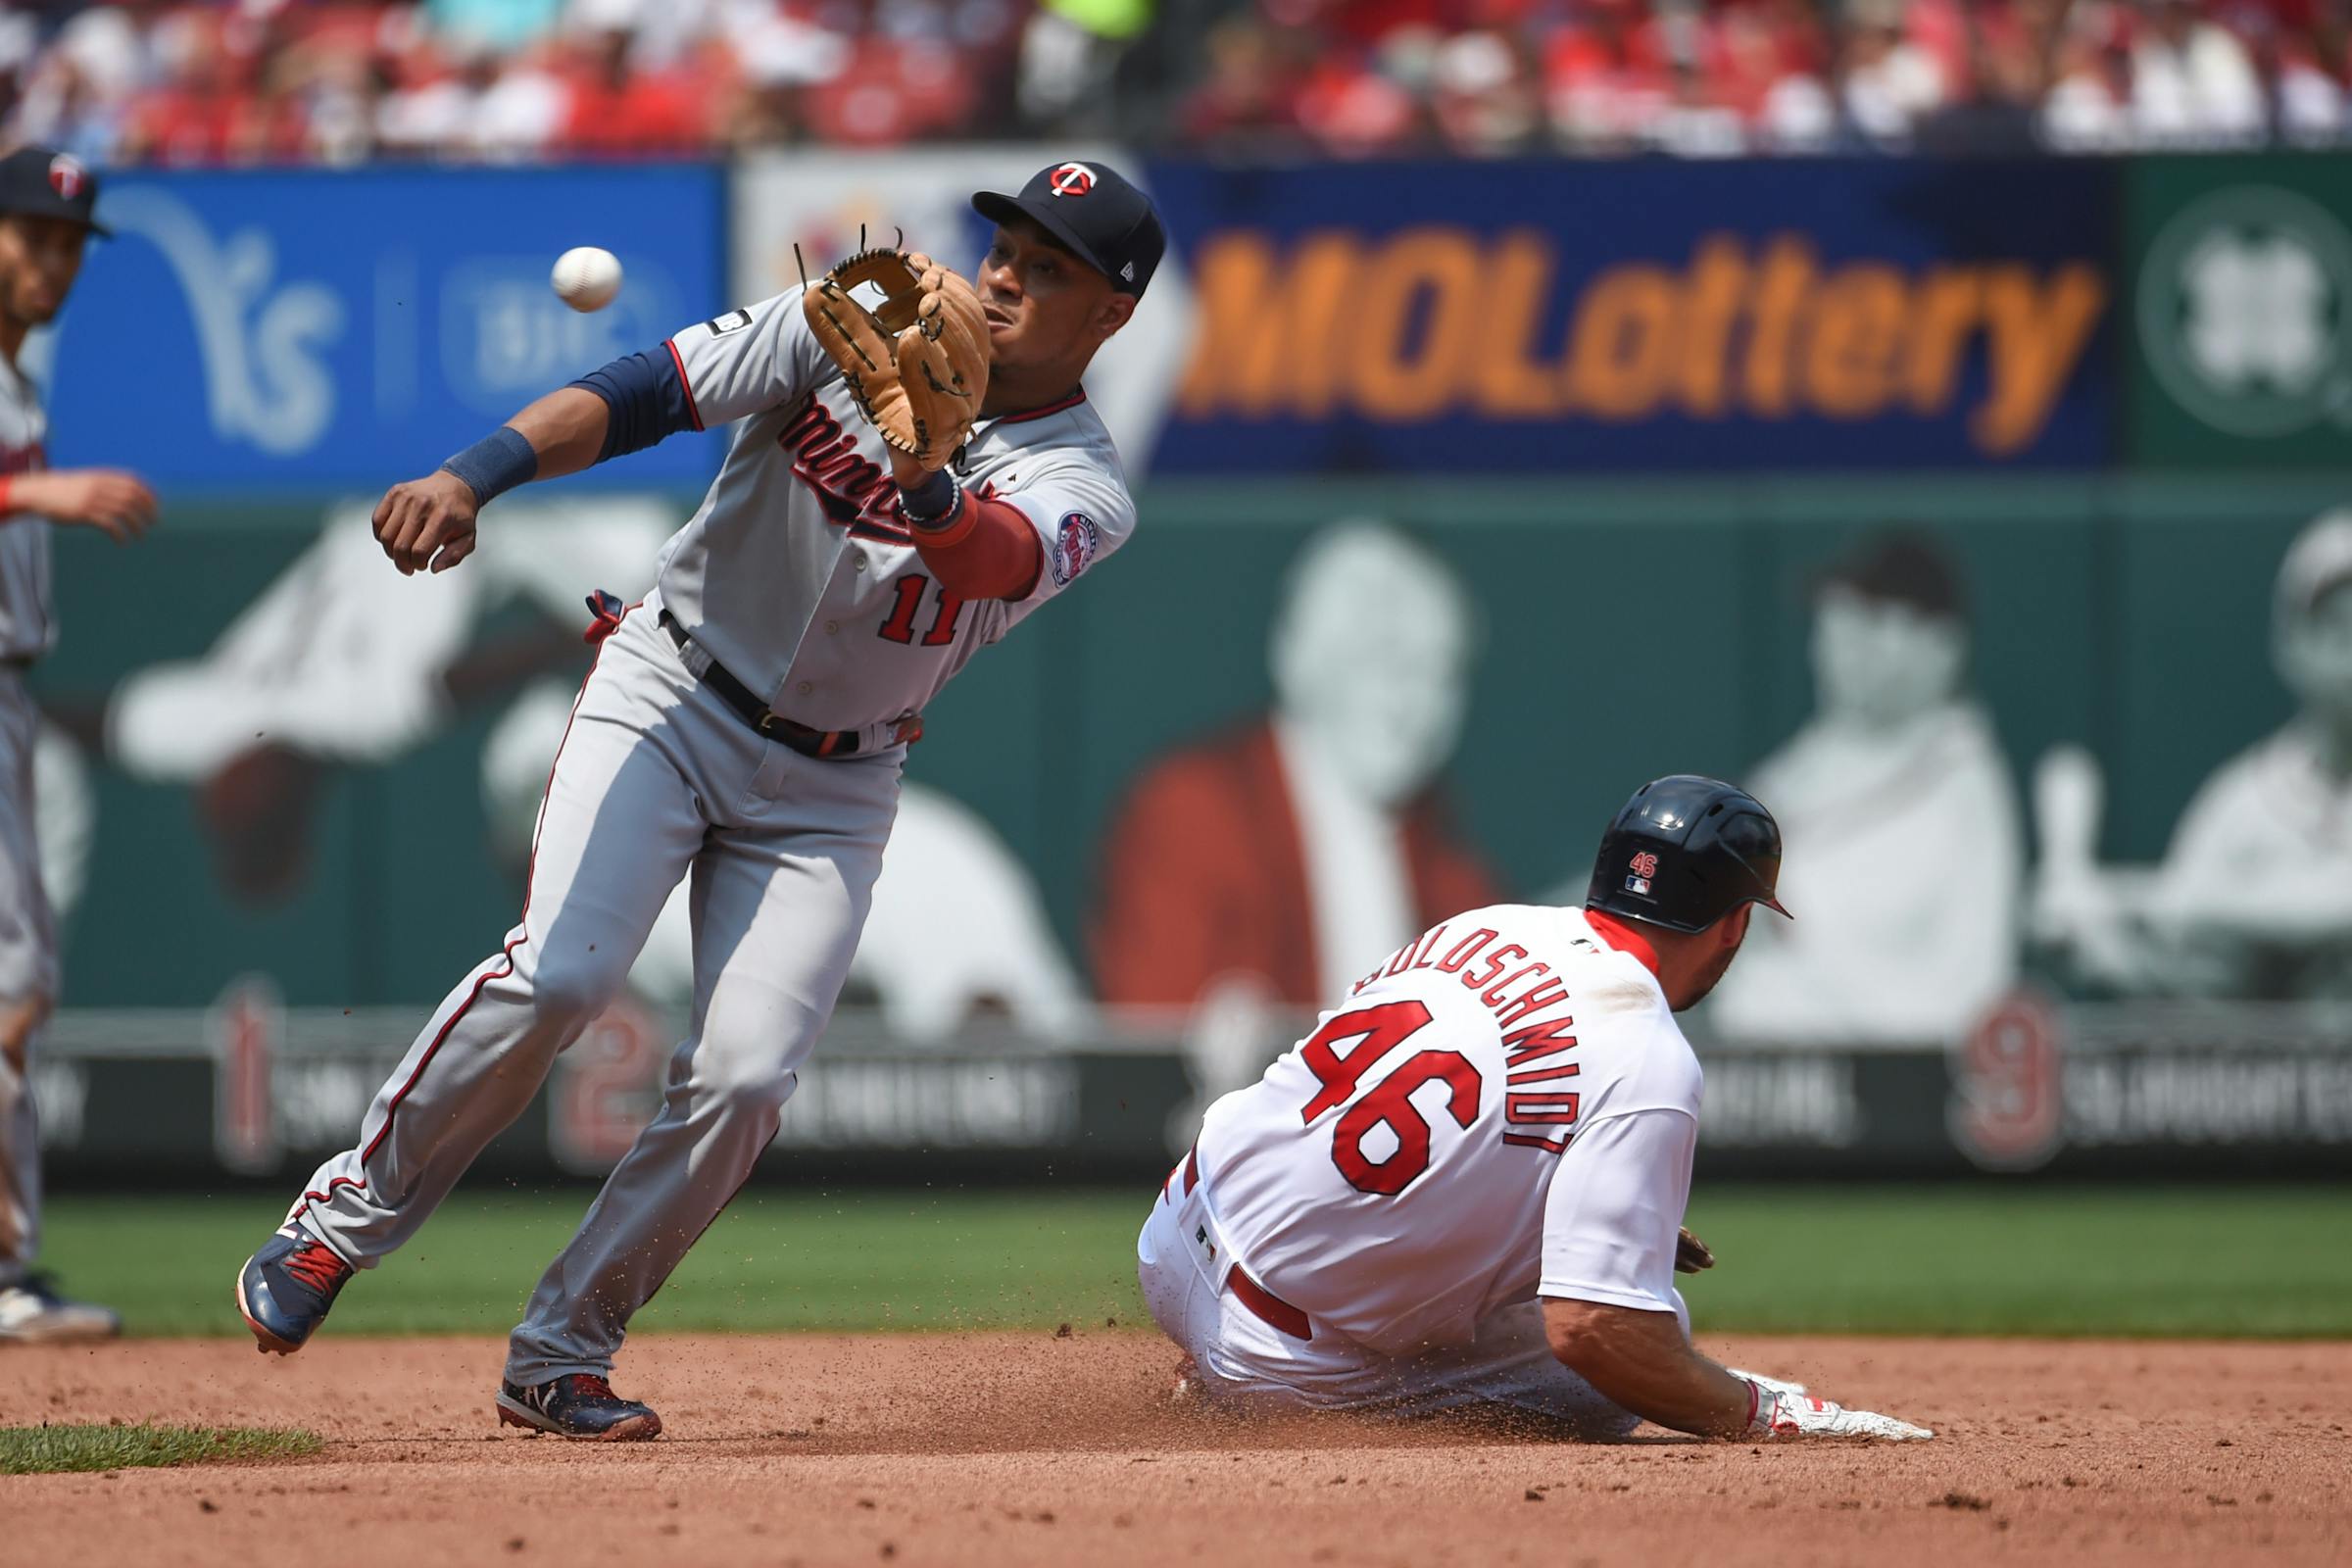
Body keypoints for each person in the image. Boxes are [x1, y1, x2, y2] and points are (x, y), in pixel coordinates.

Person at [234, 159, 1164, 1438]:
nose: (1008, 273)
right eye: (1007, 244)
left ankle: (563, 1348)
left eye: (1050, 266)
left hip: (833, 784)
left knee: (745, 1081)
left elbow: (997, 558)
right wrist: (473, 475)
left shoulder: (1088, 481)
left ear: (1113, 315)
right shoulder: (869, 308)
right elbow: (649, 392)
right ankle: (334, 1228)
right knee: (562, 974)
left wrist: (931, 473)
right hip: (672, 689)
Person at [1138, 775, 1932, 1442]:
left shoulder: (1484, 925)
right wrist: (1764, 1411)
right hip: (1277, 1359)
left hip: (1173, 1232)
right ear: (1735, 923)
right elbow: (1594, 1334)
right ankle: (1232, 1385)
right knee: (1634, 1360)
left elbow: (1356, 1094)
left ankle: (1209, 1354)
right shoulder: (1650, 1056)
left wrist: (1550, 1212)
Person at [1094, 521, 1498, 1010]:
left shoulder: (1440, 847)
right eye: (1382, 659)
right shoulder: (1193, 812)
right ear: (1299, 659)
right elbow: (1152, 1042)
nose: (1410, 699)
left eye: (1439, 670)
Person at [0, 145, 158, 1342]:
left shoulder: (19, 381)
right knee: (14, 985)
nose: (52, 261)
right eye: (31, 237)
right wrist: (28, 496)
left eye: (67, 244)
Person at [1706, 529, 2021, 1046]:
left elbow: (1970, 997)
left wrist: (1794, 933)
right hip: (1757, 1085)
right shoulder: (1792, 772)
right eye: (1838, 616)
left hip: (1899, 1090)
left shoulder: (1960, 782)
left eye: (1873, 618)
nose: (1843, 635)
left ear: (1941, 646)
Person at [2034, 511, 2352, 1000]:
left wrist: (2123, 894)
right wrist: (2098, 943)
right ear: (2291, 643)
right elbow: (2185, 987)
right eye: (2337, 626)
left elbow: (2331, 905)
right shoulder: (2243, 803)